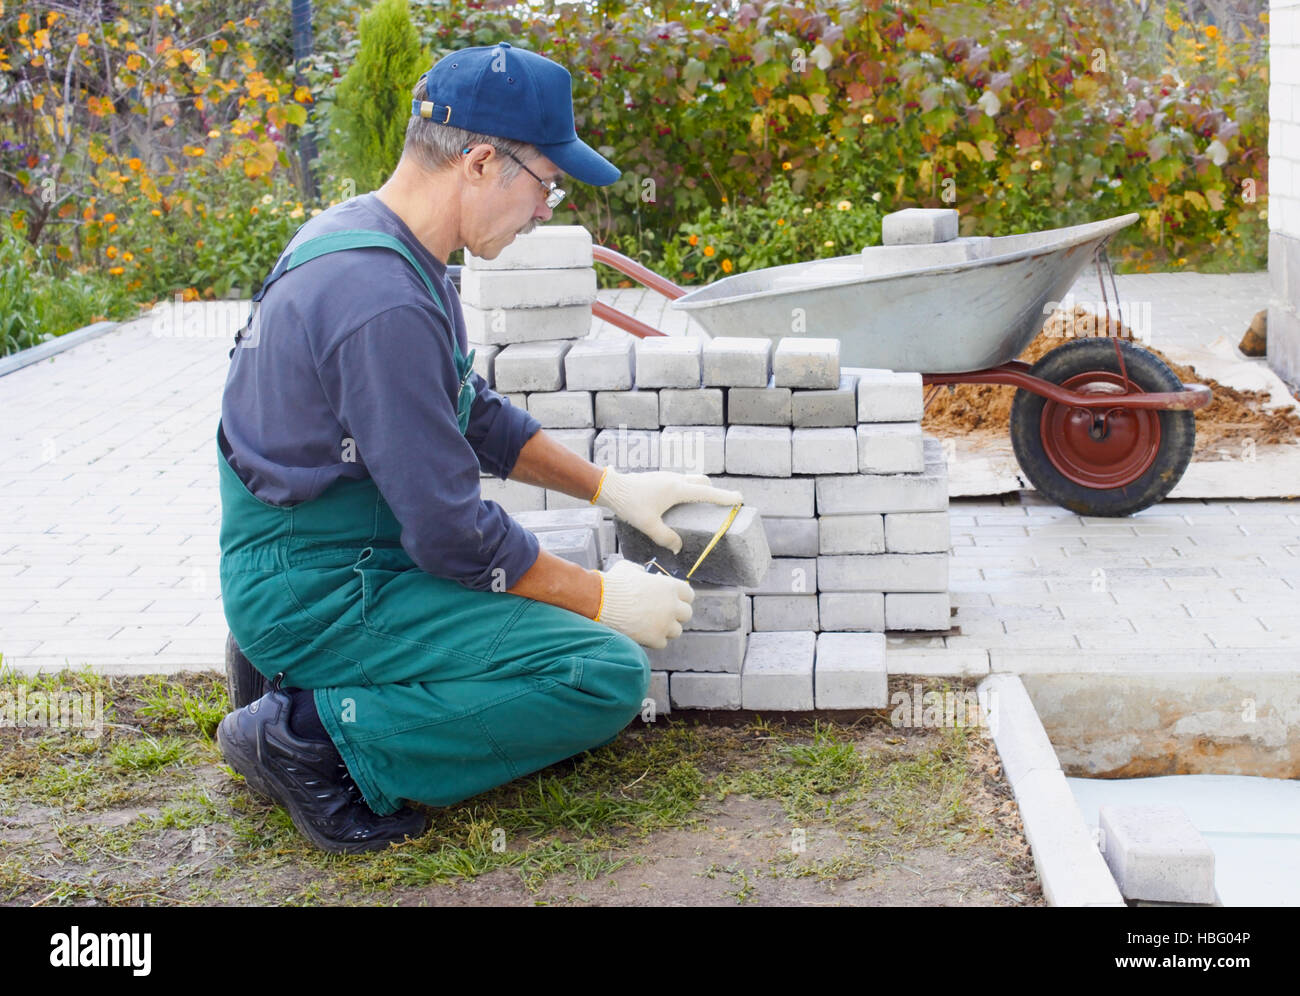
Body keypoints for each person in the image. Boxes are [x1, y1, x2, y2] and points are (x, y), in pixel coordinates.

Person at [214, 41, 742, 854]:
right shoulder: (379, 301)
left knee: (539, 603)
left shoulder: (377, 242)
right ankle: (309, 737)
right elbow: (453, 535)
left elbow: (473, 416)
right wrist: (604, 600)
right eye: (546, 185)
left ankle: (298, 675)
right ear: (483, 161)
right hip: (321, 585)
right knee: (599, 674)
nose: (545, 211)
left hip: (318, 561)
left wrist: (611, 487)